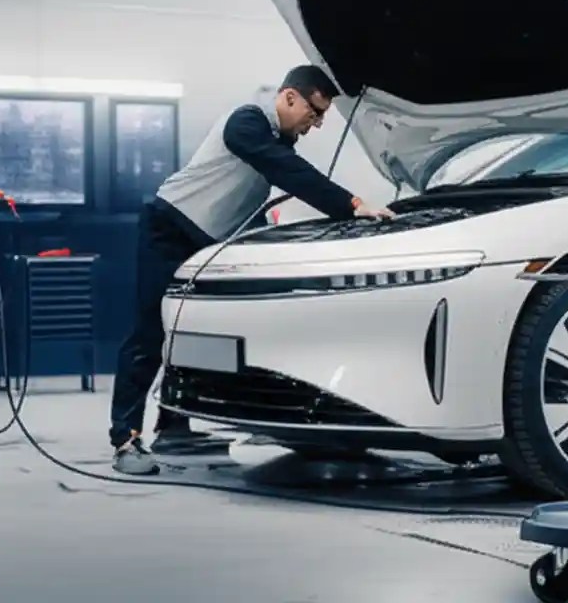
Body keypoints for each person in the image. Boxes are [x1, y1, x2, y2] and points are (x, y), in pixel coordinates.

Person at [109, 64, 395, 475]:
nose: (316, 124)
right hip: (168, 229)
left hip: (208, 241)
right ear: (290, 97)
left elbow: (264, 188)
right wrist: (353, 204)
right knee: (150, 333)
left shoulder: (276, 141)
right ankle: (125, 440)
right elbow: (290, 174)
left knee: (198, 335)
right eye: (314, 112)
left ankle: (173, 427)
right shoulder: (246, 122)